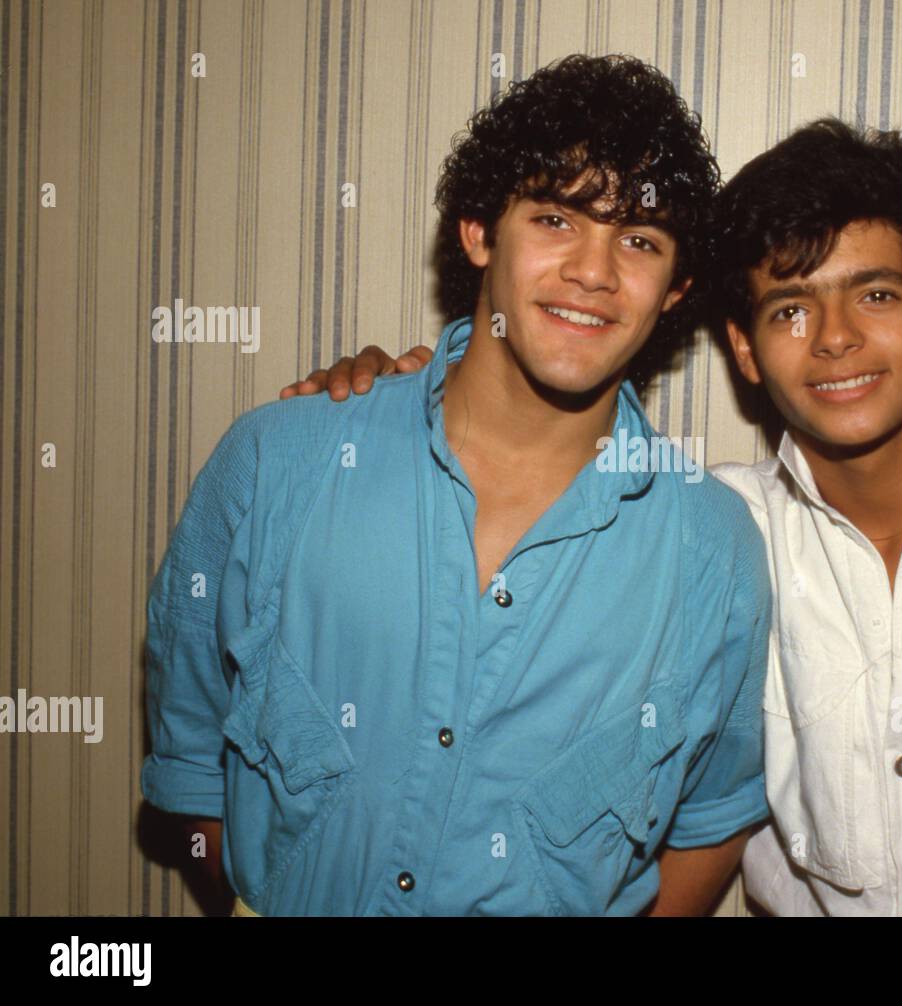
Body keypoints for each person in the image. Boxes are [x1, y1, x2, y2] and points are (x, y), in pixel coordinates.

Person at [304, 119, 902, 916]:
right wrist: (395, 398)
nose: (836, 338)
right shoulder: (708, 541)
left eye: (876, 295)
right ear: (745, 353)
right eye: (790, 308)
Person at [141, 53, 772, 917]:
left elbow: (710, 821)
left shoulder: (715, 550)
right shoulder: (273, 465)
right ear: (479, 232)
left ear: (675, 291)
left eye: (638, 240)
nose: (594, 271)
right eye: (556, 218)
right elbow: (186, 765)